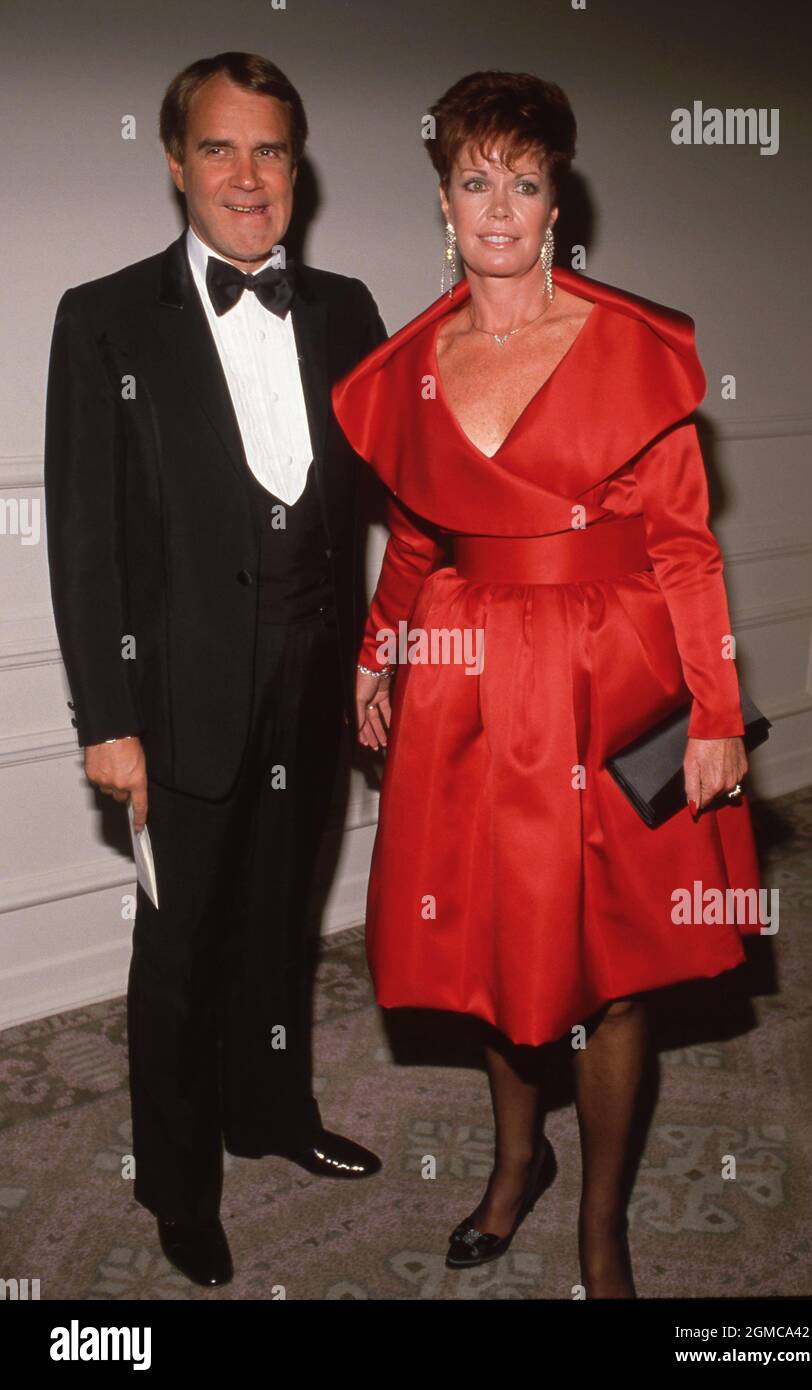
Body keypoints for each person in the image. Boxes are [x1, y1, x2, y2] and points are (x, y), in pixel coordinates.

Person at [332, 69, 762, 1298]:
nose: (497, 207)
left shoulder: (629, 347)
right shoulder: (409, 369)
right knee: (490, 957)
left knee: (613, 974)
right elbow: (417, 541)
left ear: (556, 200)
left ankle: (602, 1229)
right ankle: (516, 1164)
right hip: (466, 687)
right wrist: (377, 650)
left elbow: (684, 549)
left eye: (522, 182)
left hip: (603, 677)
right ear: (442, 200)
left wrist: (714, 714)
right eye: (474, 181)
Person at [44, 51, 385, 1288]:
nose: (248, 176)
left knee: (280, 928)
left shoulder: (345, 307)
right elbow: (84, 538)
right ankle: (178, 1187)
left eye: (271, 150)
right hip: (177, 698)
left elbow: (401, 493)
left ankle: (271, 1113)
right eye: (220, 148)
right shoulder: (104, 316)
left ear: (298, 165)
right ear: (176, 163)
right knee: (179, 953)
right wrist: (108, 717)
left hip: (313, 685)